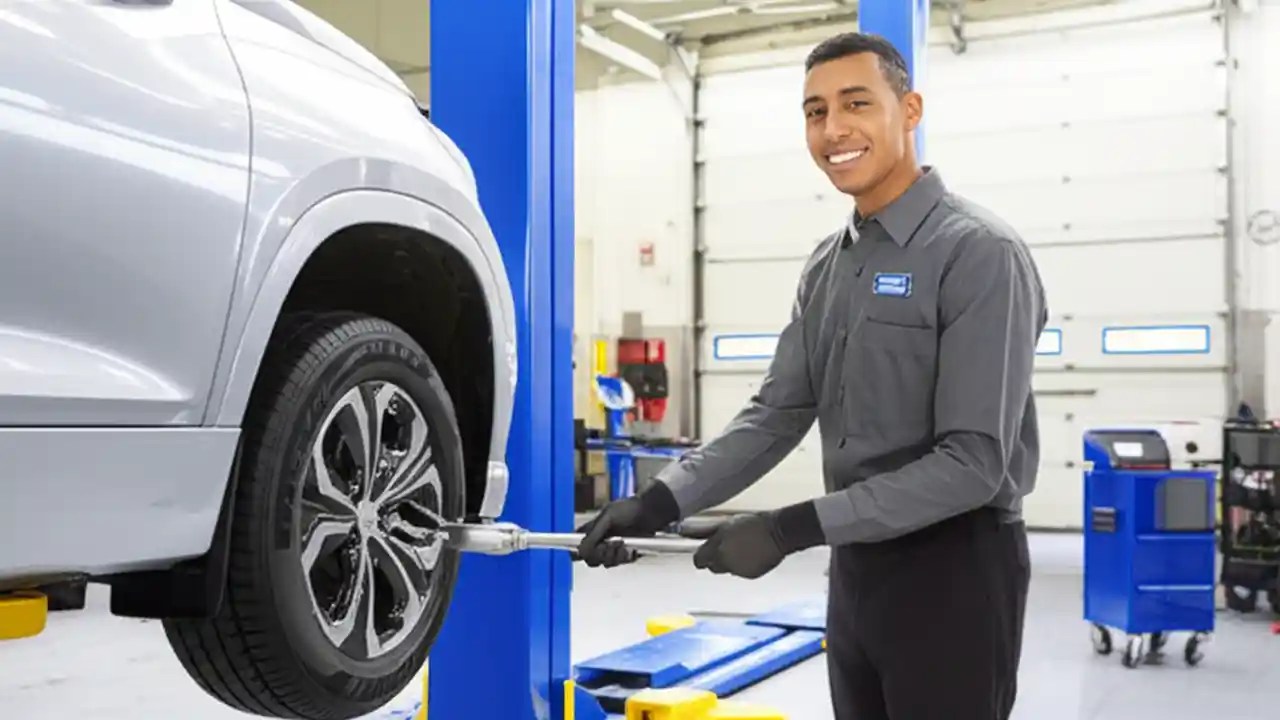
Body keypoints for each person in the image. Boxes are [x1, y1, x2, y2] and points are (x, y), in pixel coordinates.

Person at [576, 31, 1047, 720]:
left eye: (856, 103)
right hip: (856, 572)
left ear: (909, 110)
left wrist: (788, 528)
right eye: (815, 111)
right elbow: (777, 413)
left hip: (956, 573)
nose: (834, 129)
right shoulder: (830, 266)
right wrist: (662, 501)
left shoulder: (979, 255)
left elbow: (973, 464)